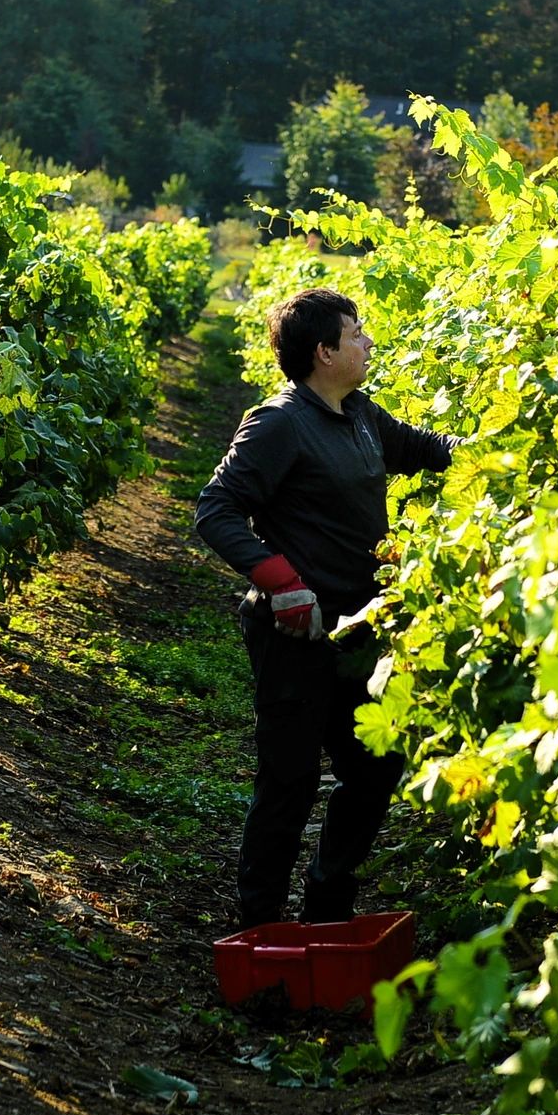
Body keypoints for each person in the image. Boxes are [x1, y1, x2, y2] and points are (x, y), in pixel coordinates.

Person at [194, 287, 455, 928]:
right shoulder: (279, 423)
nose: (367, 341)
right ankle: (259, 926)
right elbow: (216, 510)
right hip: (297, 633)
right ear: (324, 351)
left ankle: (328, 903)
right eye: (356, 332)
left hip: (359, 630)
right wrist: (282, 581)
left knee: (376, 767)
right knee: (290, 781)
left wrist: (506, 452)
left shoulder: (361, 415)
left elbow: (428, 449)